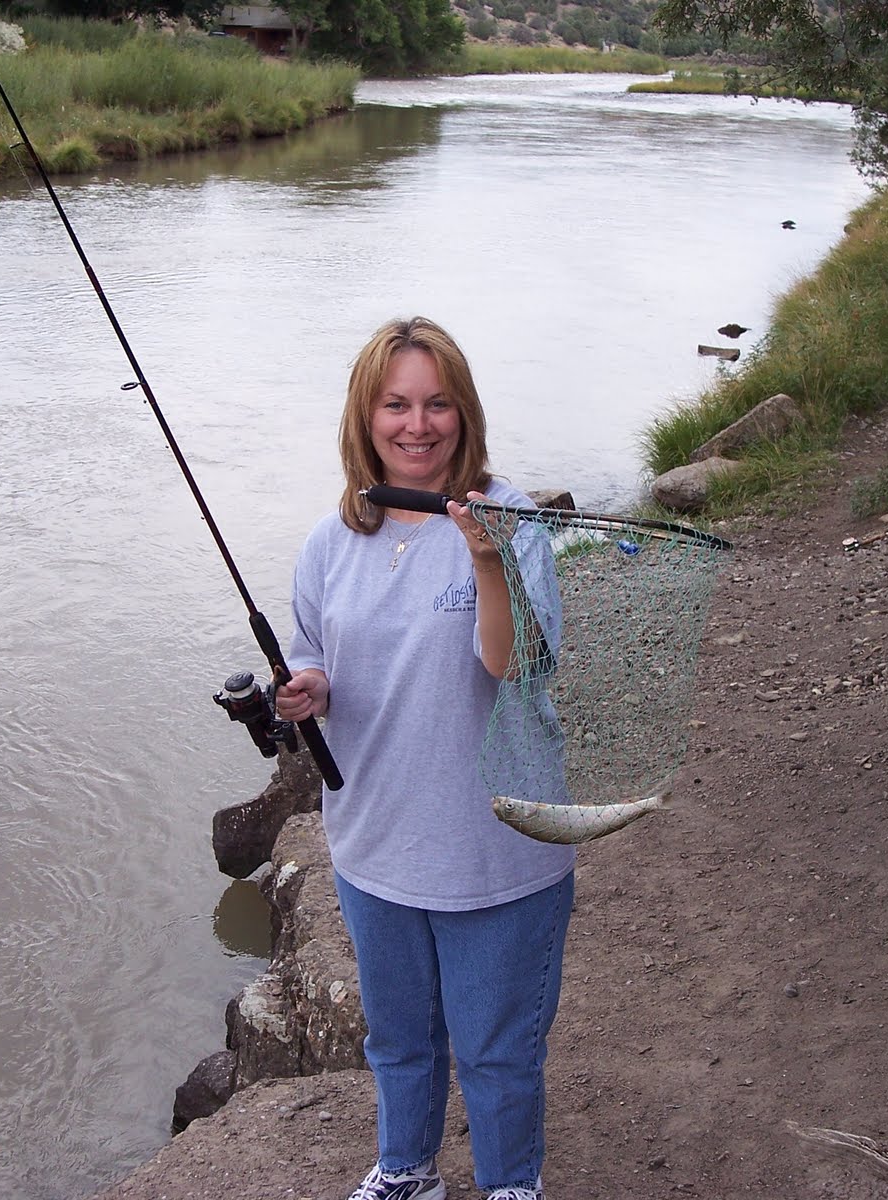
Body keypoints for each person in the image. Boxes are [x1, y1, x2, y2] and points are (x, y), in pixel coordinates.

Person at [275, 317, 574, 1200]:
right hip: (374, 847)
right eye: (396, 404)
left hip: (496, 849)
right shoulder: (333, 540)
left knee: (495, 1049)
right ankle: (406, 1169)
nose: (418, 425)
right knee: (399, 1039)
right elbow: (309, 645)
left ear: (464, 413)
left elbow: (513, 665)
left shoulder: (506, 518)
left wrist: (486, 562)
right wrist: (308, 687)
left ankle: (510, 1185)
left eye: (438, 404)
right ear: (365, 419)